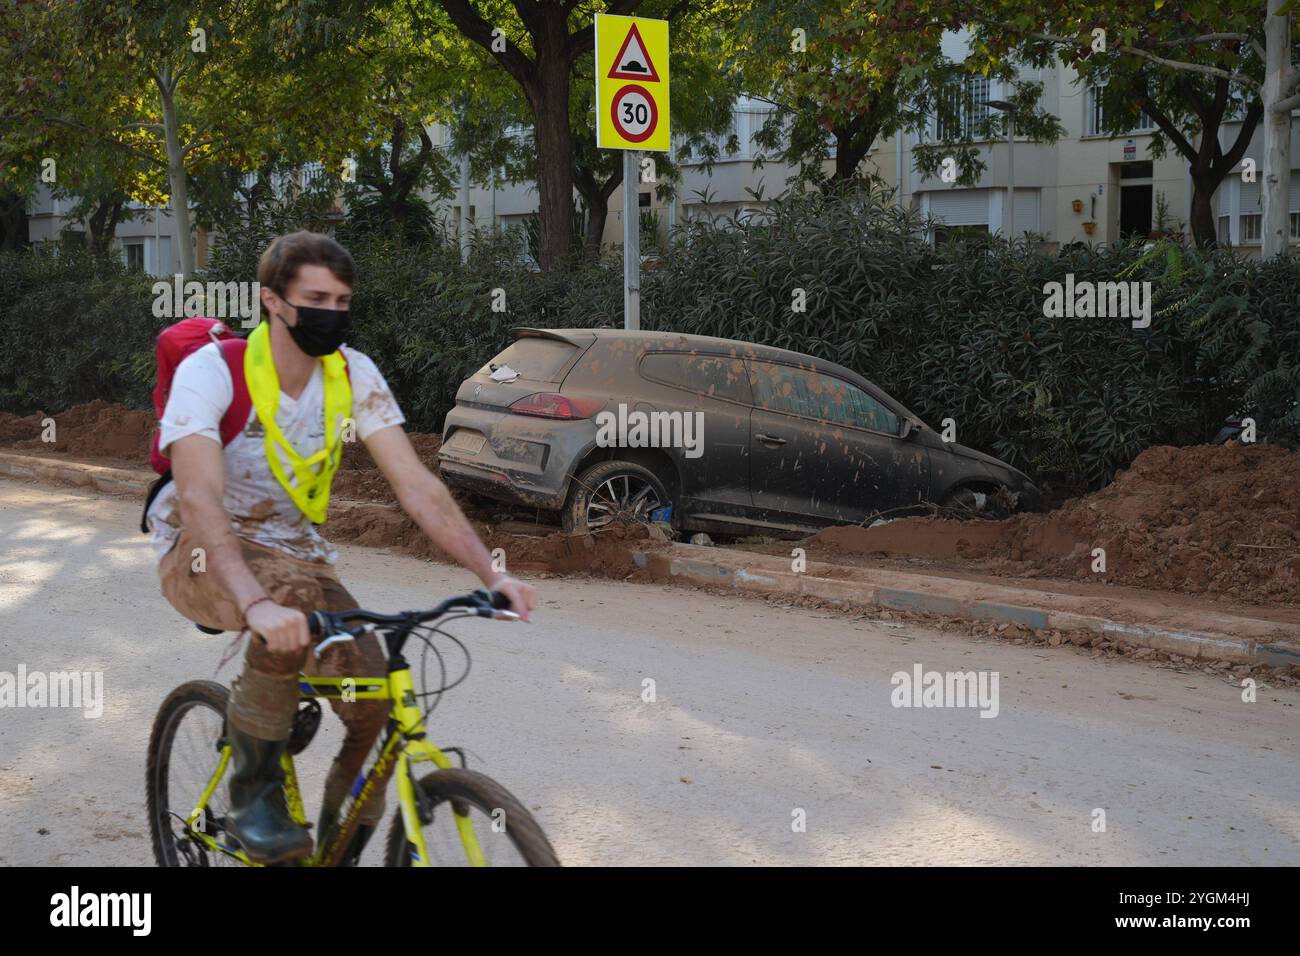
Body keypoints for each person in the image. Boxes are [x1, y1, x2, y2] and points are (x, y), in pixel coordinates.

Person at [145, 231, 537, 865]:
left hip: (296, 556)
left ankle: (335, 849)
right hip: (198, 552)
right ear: (273, 300)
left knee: (375, 699)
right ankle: (250, 796)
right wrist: (255, 604)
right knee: (288, 609)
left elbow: (418, 487)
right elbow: (197, 496)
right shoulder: (213, 371)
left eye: (342, 299)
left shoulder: (352, 373)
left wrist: (492, 574)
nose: (332, 311)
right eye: (315, 297)